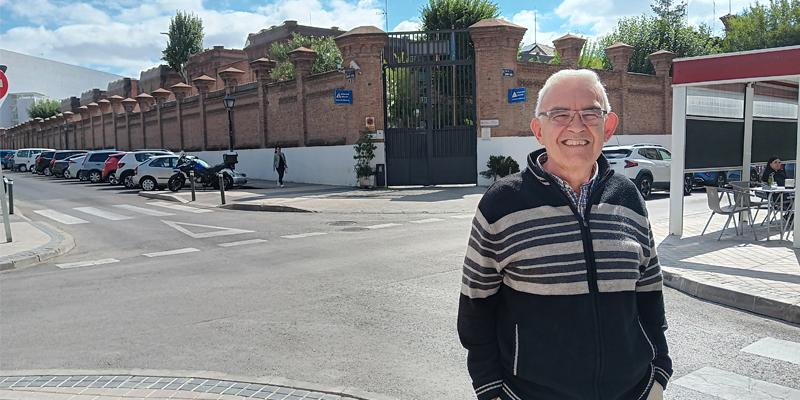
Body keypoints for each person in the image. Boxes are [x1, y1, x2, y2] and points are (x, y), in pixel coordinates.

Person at [457, 69, 672, 400]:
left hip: (634, 391)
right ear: (538, 130)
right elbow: (476, 307)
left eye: (590, 113)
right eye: (559, 114)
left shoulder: (628, 197)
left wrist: (658, 373)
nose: (576, 126)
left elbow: (649, 293)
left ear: (608, 126)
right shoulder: (502, 203)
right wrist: (490, 390)